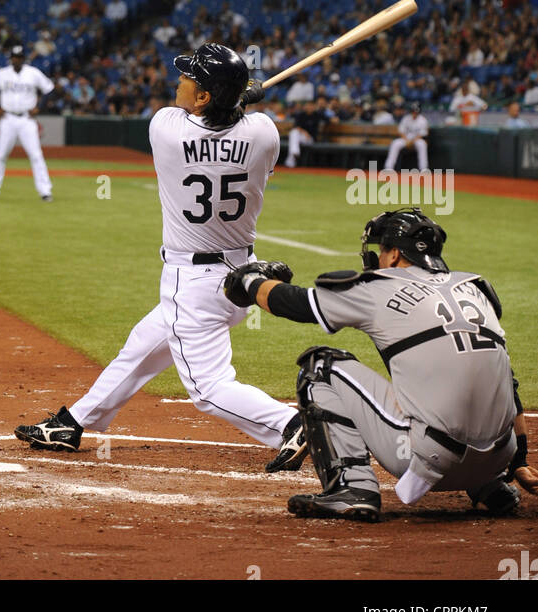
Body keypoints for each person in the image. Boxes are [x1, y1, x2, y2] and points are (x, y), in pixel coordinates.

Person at [13, 45, 306, 465]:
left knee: (208, 388)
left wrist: (235, 99)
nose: (179, 82)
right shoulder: (264, 133)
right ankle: (72, 422)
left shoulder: (165, 128)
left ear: (204, 97)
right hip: (241, 274)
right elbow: (239, 125)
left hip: (195, 283)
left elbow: (205, 120)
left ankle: (290, 425)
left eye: (189, 79)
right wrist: (234, 102)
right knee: (142, 346)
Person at [223, 209, 537, 521]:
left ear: (397, 254)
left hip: (431, 461)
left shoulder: (380, 287)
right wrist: (519, 458)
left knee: (320, 366)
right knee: (452, 371)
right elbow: (508, 384)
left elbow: (296, 304)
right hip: (501, 457)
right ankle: (488, 487)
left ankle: (351, 488)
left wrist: (252, 281)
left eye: (382, 249)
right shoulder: (476, 290)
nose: (377, 257)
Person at [0, 46, 54, 202]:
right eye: (14, 56)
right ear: (11, 58)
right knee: (0, 155)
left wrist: (39, 108)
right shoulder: (2, 74)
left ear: (23, 58)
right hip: (7, 119)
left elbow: (49, 89)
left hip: (27, 119)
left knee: (36, 155)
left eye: (19, 57)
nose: (17, 59)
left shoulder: (33, 73)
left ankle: (45, 191)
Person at [384, 102, 430, 172]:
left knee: (422, 144)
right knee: (395, 143)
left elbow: (422, 134)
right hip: (406, 139)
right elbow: (401, 131)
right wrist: (406, 140)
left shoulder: (423, 120)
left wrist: (411, 141)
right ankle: (388, 167)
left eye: (415, 111)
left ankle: (423, 168)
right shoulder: (406, 118)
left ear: (419, 112)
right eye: (413, 111)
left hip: (417, 140)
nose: (414, 113)